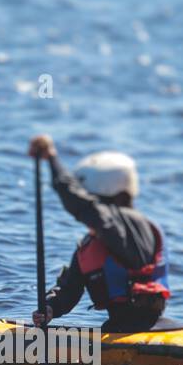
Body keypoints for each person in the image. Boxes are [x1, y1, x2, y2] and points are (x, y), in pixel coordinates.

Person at [27, 134, 171, 333]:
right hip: (116, 329)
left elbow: (81, 205)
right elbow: (69, 290)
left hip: (152, 328)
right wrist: (50, 308)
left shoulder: (135, 227)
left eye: (96, 202)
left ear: (118, 197)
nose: (92, 215)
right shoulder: (92, 245)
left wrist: (52, 159)